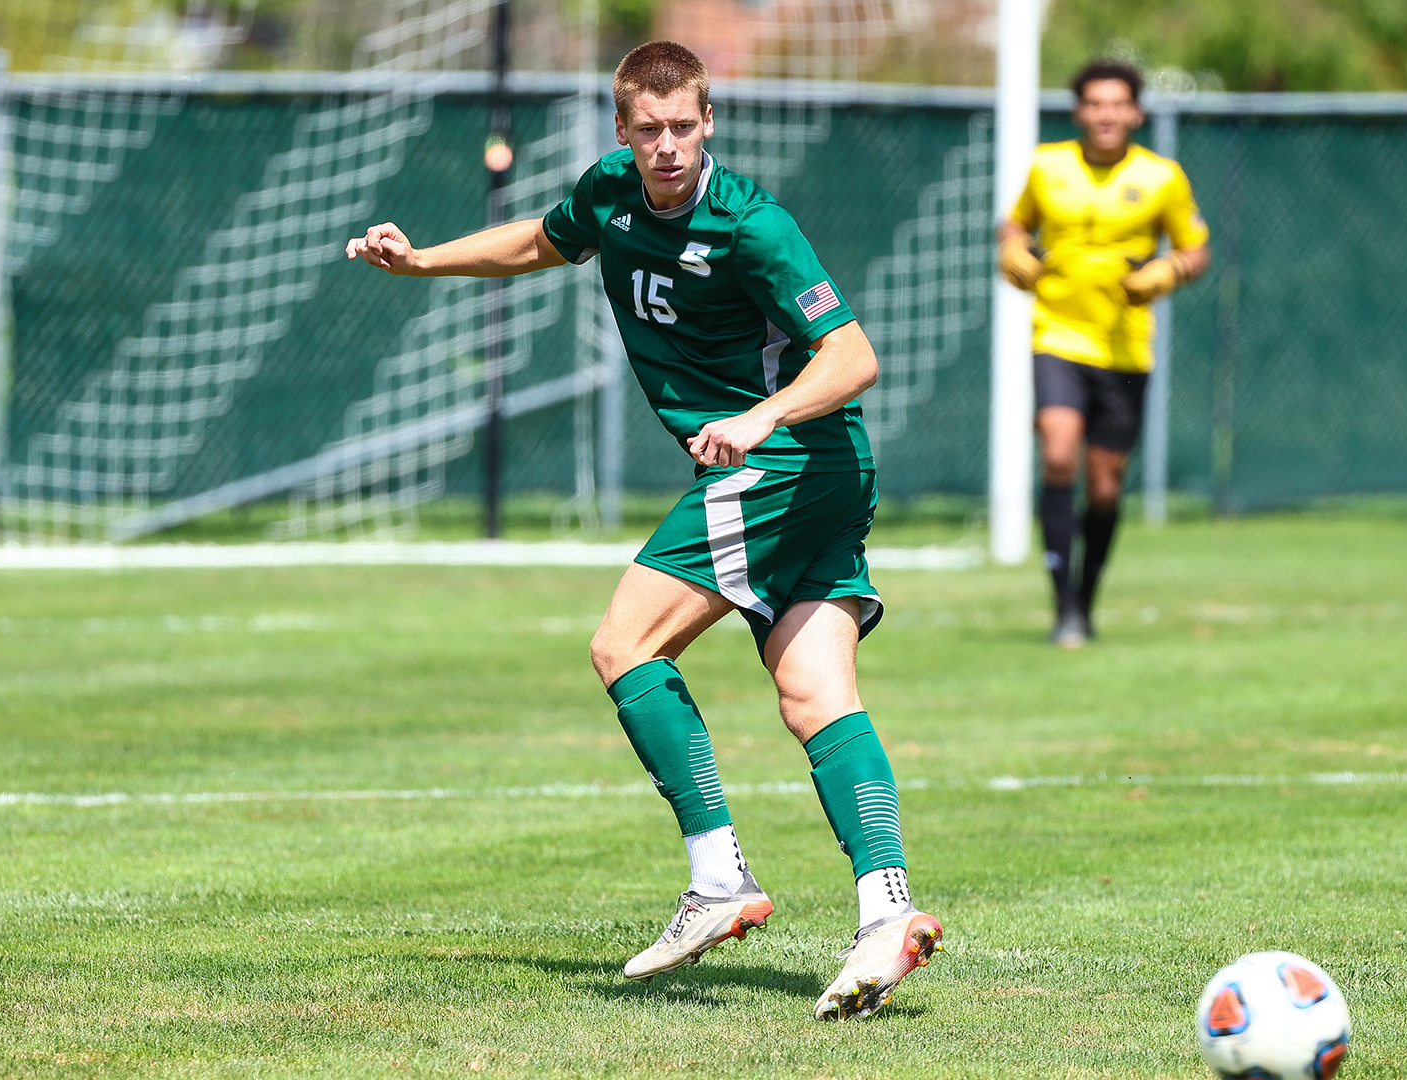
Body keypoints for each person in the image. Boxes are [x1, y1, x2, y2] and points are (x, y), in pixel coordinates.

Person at [345, 40, 940, 1022]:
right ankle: (887, 909)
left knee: (623, 643)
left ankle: (719, 880)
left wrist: (760, 418)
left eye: (684, 128)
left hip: (785, 462)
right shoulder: (609, 193)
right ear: (622, 129)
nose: (667, 147)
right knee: (813, 693)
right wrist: (422, 263)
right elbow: (540, 241)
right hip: (818, 470)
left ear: (709, 125)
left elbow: (854, 354)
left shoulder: (752, 224)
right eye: (648, 129)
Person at [997, 60, 1212, 648]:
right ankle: (1063, 606)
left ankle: (1086, 599)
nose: (1106, 114)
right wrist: (1011, 253)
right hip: (1058, 336)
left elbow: (1197, 249)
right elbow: (1013, 227)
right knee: (1059, 452)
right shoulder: (1047, 166)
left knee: (1107, 484)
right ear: (1079, 111)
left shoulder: (1163, 177)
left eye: (1117, 104)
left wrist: (1169, 270)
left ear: (1136, 113)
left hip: (1123, 348)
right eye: (1095, 103)